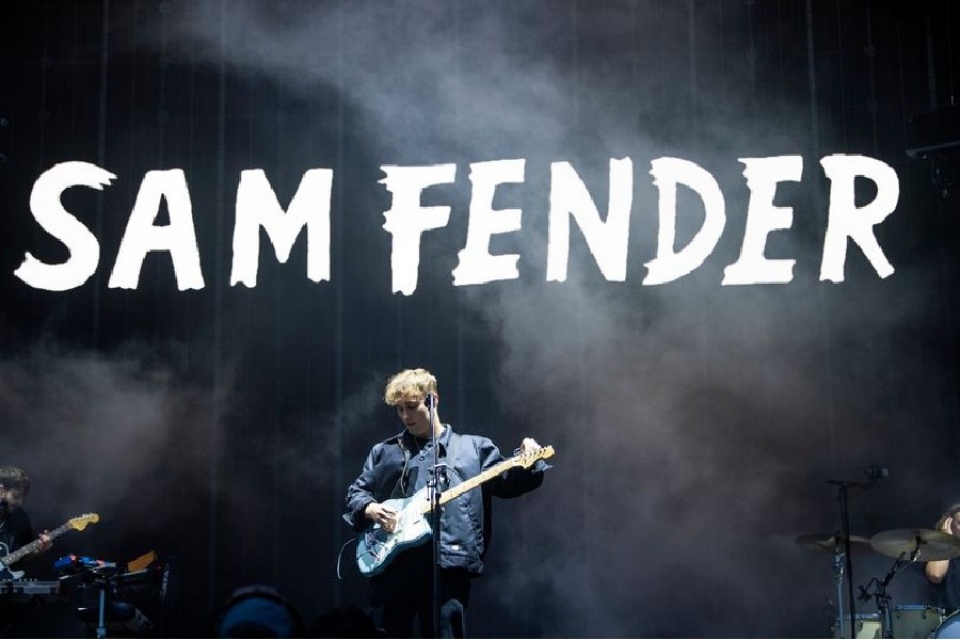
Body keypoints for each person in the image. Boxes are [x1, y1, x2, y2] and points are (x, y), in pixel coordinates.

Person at [343, 368, 550, 638]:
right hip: (393, 566)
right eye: (399, 409)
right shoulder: (385, 452)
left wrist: (529, 461)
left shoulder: (473, 449)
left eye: (412, 407)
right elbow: (357, 492)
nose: (405, 416)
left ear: (433, 400)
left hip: (447, 564)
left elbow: (509, 482)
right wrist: (370, 508)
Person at [0, 466, 52, 573]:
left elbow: (17, 562)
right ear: (1, 491)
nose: (20, 502)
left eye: (22, 497)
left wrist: (37, 551)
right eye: (16, 496)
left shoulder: (21, 518)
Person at [925, 503, 960, 614]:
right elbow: (936, 575)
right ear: (949, 524)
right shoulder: (939, 550)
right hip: (949, 621)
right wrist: (946, 539)